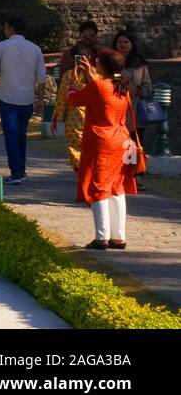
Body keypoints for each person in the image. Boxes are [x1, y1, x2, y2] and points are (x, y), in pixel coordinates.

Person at [65, 49, 139, 250]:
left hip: (101, 142)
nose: (95, 64)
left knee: (98, 187)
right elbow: (102, 90)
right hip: (121, 140)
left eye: (97, 62)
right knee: (117, 187)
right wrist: (90, 76)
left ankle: (101, 237)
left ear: (103, 67)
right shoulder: (122, 86)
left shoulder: (98, 86)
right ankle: (119, 236)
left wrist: (71, 86)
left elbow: (74, 99)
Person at [0, 15, 47, 185]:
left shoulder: (2, 46)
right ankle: (21, 168)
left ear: (11, 28)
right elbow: (42, 77)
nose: (4, 30)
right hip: (27, 98)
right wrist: (41, 99)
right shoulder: (35, 49)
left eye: (6, 27)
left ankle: (17, 171)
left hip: (7, 96)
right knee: (21, 135)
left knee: (11, 135)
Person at [53, 21, 100, 173]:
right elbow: (62, 93)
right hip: (78, 115)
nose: (88, 38)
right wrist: (57, 116)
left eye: (91, 36)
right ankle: (86, 172)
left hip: (92, 115)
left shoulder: (100, 59)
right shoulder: (70, 70)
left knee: (86, 147)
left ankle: (87, 171)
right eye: (85, 35)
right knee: (77, 145)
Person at [113, 30, 156, 189]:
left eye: (126, 42)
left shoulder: (140, 65)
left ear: (131, 45)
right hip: (116, 109)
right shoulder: (111, 62)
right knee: (118, 145)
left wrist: (137, 91)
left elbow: (148, 87)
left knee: (134, 145)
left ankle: (135, 176)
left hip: (135, 111)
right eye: (120, 42)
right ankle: (119, 175)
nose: (122, 45)